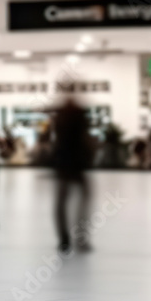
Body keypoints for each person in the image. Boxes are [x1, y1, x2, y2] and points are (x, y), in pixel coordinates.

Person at [53, 94, 94, 252]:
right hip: (76, 164)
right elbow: (86, 140)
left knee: (62, 202)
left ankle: (65, 238)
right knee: (81, 198)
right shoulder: (78, 117)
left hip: (65, 164)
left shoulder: (61, 118)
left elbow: (58, 142)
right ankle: (79, 238)